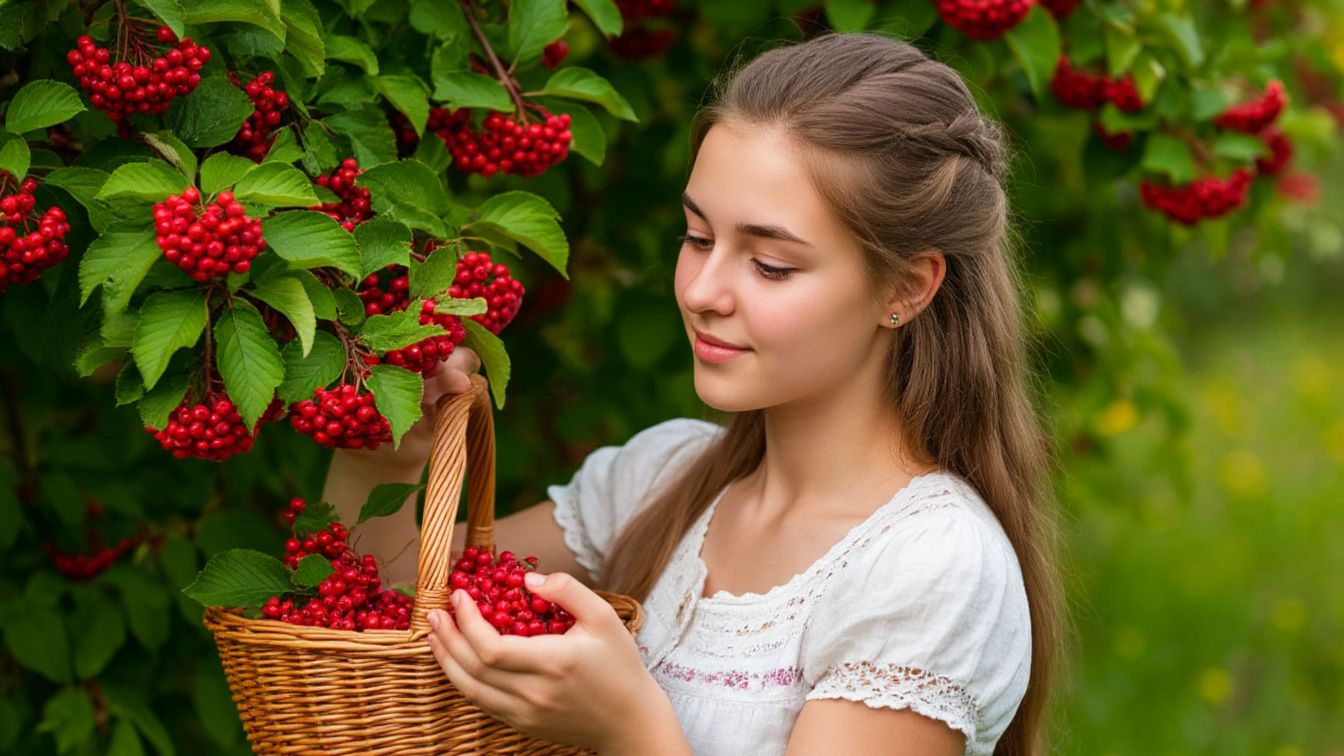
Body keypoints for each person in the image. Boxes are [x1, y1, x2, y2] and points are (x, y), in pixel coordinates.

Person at [323, 31, 1063, 756]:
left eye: (770, 264)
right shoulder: (663, 478)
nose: (703, 292)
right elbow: (377, 602)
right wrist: (382, 461)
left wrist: (628, 728)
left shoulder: (930, 565)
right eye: (698, 237)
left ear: (905, 286)